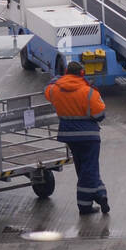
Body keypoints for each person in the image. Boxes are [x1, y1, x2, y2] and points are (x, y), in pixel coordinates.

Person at [44, 61, 109, 215]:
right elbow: (100, 115)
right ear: (82, 74)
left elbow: (46, 89)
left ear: (66, 72)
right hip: (89, 136)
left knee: (84, 168)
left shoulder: (56, 89)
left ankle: (101, 195)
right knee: (90, 169)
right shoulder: (89, 92)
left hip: (69, 136)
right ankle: (86, 205)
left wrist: (56, 79)